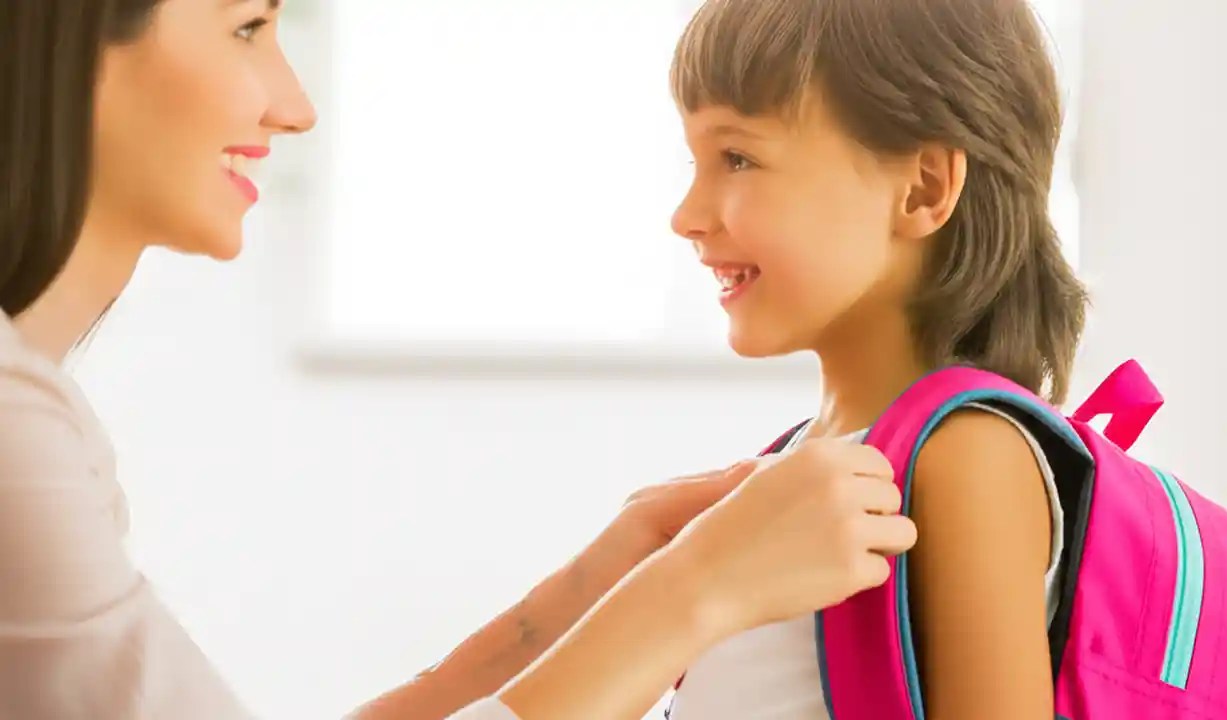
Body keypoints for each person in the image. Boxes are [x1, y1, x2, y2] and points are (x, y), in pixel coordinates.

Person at [0, 2, 918, 719]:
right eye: (247, 27)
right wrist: (696, 592)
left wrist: (602, 583)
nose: (295, 105)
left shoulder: (45, 420)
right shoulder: (14, 432)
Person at [662, 0, 1088, 718]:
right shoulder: (792, 470)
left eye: (737, 157)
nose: (687, 215)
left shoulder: (968, 461)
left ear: (923, 187)